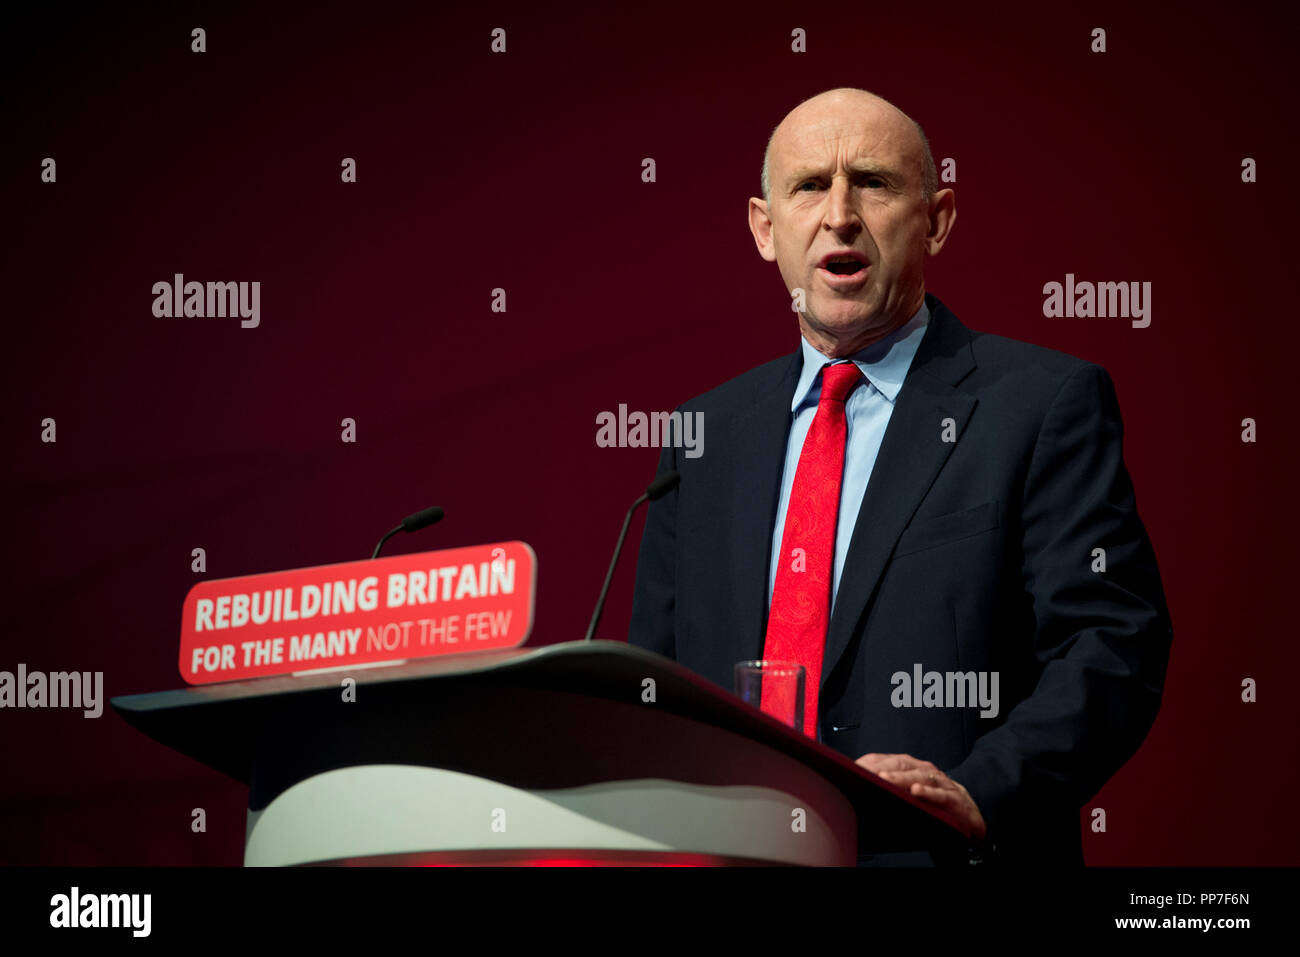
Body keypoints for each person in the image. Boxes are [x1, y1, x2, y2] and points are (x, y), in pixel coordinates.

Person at [627, 87, 1173, 864]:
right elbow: (657, 682)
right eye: (810, 185)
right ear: (764, 227)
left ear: (937, 219)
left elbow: (1113, 642)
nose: (839, 215)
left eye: (873, 183)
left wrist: (982, 792)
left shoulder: (1041, 405)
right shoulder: (705, 435)